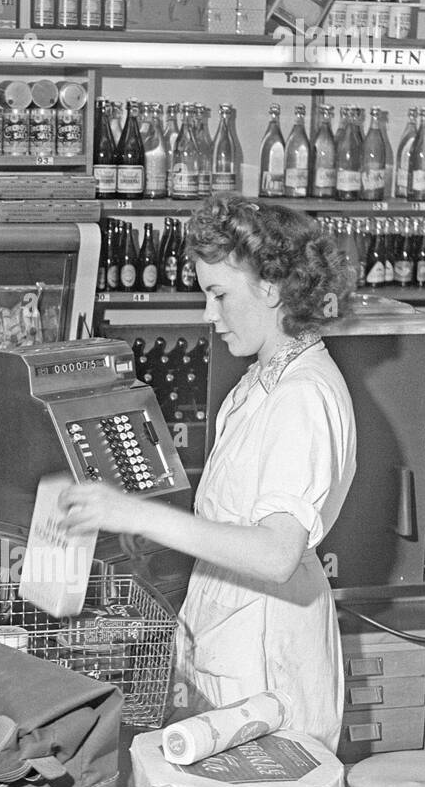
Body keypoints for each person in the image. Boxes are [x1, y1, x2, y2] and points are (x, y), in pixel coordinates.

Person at [59, 196, 356, 753]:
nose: (208, 315)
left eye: (219, 294)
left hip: (267, 659)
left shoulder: (302, 396)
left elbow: (275, 553)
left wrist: (135, 513)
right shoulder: (260, 381)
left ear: (271, 288)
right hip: (232, 639)